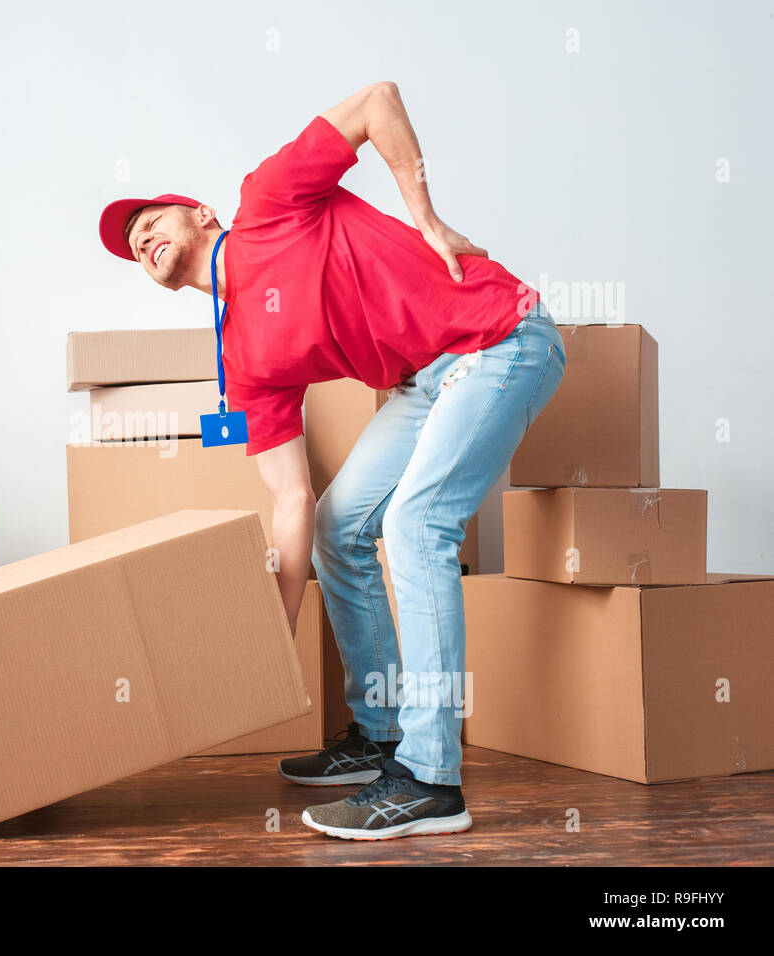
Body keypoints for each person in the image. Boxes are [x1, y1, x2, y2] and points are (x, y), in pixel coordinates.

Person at [98, 82, 566, 840]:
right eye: (132, 248)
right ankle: (380, 736)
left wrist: (429, 221)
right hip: (426, 384)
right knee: (335, 525)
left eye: (149, 221)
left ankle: (430, 780)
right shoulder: (242, 360)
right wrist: (271, 648)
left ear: (201, 214)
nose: (141, 240)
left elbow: (378, 100)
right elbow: (289, 502)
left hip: (501, 339)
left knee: (416, 525)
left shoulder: (269, 201)